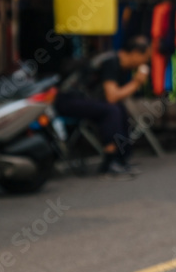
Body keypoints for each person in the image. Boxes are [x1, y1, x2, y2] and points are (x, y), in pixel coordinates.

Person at [54, 35, 152, 176]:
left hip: (81, 100)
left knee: (119, 109)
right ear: (136, 53)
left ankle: (121, 158)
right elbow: (112, 96)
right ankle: (110, 160)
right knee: (111, 110)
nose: (146, 61)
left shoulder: (119, 64)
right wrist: (137, 82)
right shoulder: (111, 61)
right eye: (145, 57)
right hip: (68, 101)